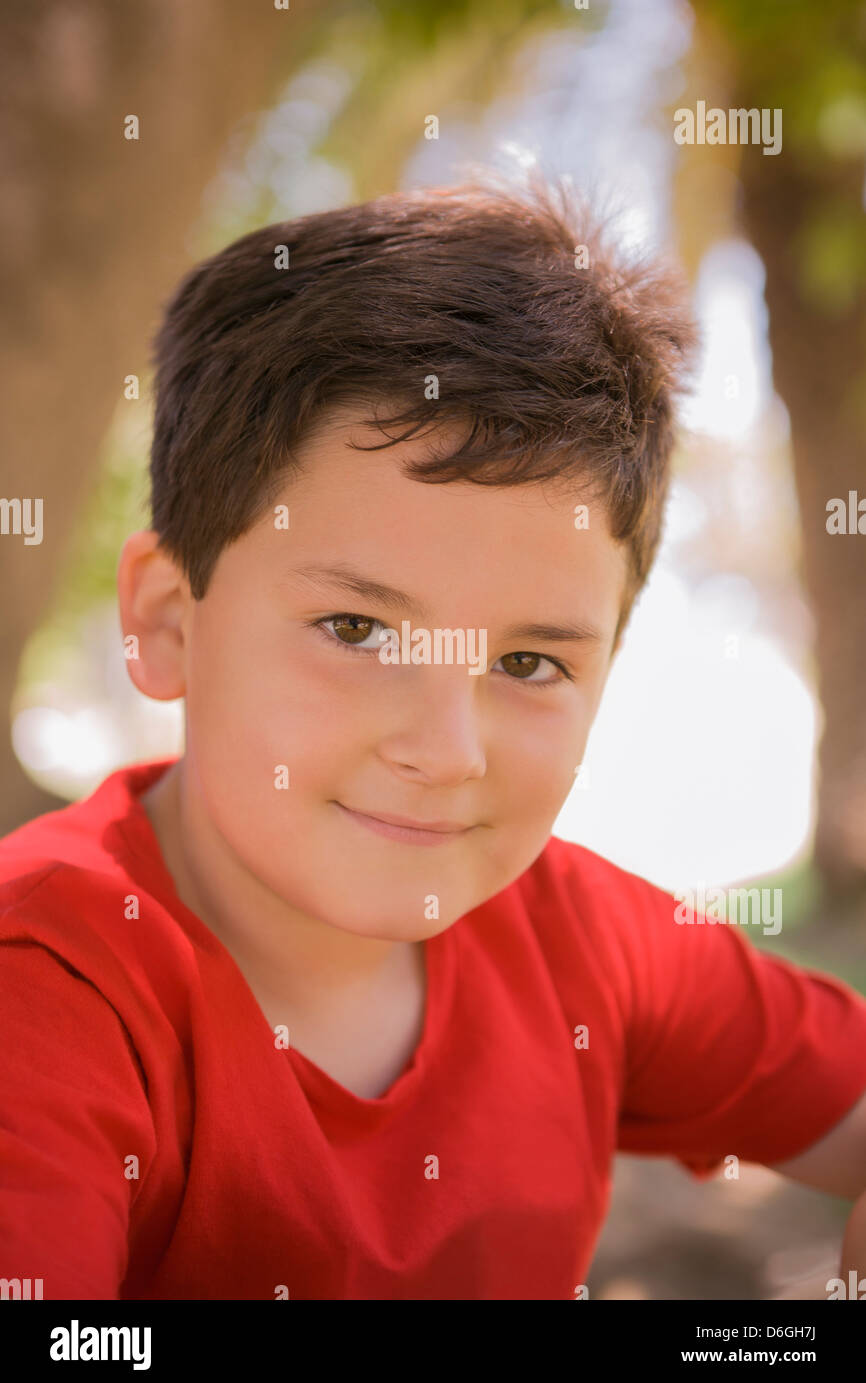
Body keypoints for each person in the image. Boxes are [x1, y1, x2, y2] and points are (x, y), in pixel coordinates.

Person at [1, 173, 864, 1300]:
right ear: (169, 621)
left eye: (526, 663)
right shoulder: (50, 984)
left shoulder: (581, 939)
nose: (446, 748)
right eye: (356, 628)